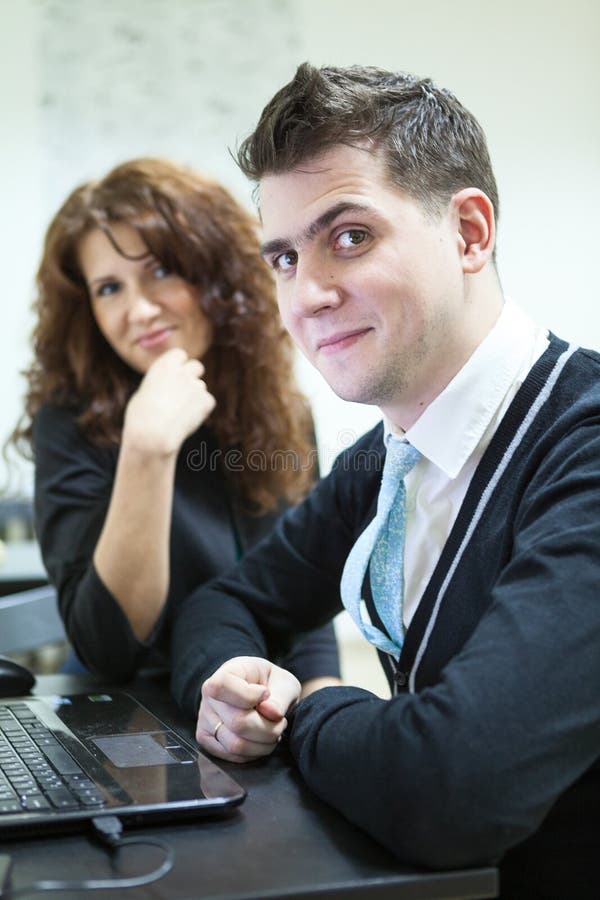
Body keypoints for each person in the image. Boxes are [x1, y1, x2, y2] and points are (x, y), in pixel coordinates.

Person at [169, 64, 600, 898]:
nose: (308, 295)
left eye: (351, 236)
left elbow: (452, 788)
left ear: (471, 232)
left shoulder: (581, 444)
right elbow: (227, 603)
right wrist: (229, 689)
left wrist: (310, 706)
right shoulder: (387, 454)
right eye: (285, 257)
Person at [13, 156, 341, 693]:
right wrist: (147, 448)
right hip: (129, 706)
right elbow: (109, 649)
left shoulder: (284, 409)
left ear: (217, 275)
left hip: (260, 694)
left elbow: (307, 588)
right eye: (109, 288)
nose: (138, 310)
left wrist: (322, 706)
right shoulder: (69, 423)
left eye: (160, 272)